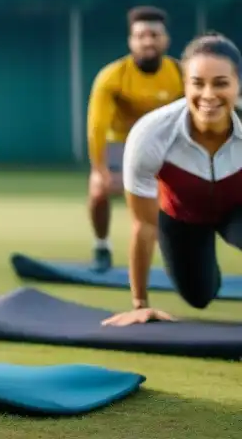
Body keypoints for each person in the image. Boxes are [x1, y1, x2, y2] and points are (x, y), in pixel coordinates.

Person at [102, 33, 242, 326]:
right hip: (181, 217)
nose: (208, 95)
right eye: (197, 83)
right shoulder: (151, 134)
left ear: (237, 85)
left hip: (236, 211)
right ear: (184, 84)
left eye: (221, 83)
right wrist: (140, 304)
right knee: (199, 295)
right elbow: (143, 223)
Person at [85, 6, 184, 272]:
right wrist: (100, 169)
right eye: (141, 35)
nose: (148, 41)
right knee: (97, 191)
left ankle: (181, 254)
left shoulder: (180, 74)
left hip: (164, 147)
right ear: (131, 41)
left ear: (166, 40)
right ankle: (102, 246)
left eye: (154, 35)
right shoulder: (112, 77)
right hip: (121, 146)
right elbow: (97, 126)